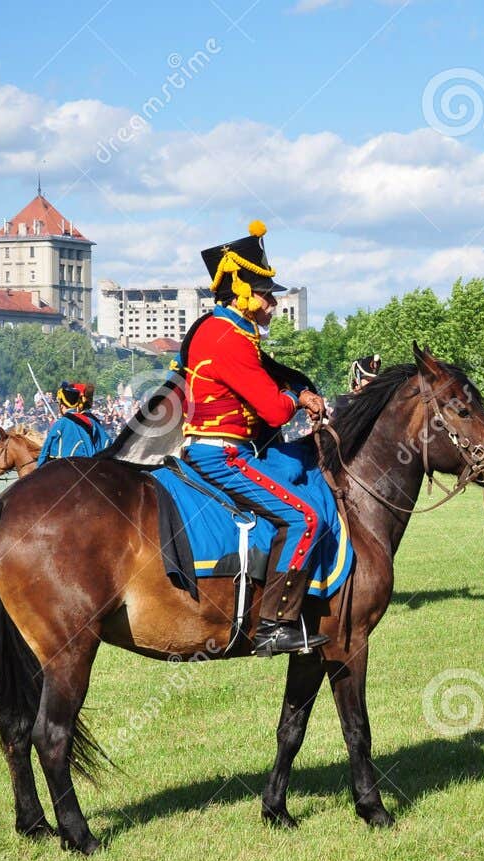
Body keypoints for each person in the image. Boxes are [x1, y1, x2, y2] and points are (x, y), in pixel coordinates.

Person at [180, 219, 332, 657]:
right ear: (245, 295)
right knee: (305, 519)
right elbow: (271, 410)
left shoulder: (225, 329)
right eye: (267, 295)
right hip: (220, 455)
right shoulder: (229, 336)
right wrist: (297, 397)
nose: (272, 304)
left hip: (228, 448)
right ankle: (274, 625)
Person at [36, 381, 113, 465]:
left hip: (69, 468)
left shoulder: (60, 423)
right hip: (92, 465)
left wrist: (38, 470)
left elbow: (45, 451)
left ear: (61, 406)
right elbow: (107, 443)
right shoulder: (91, 421)